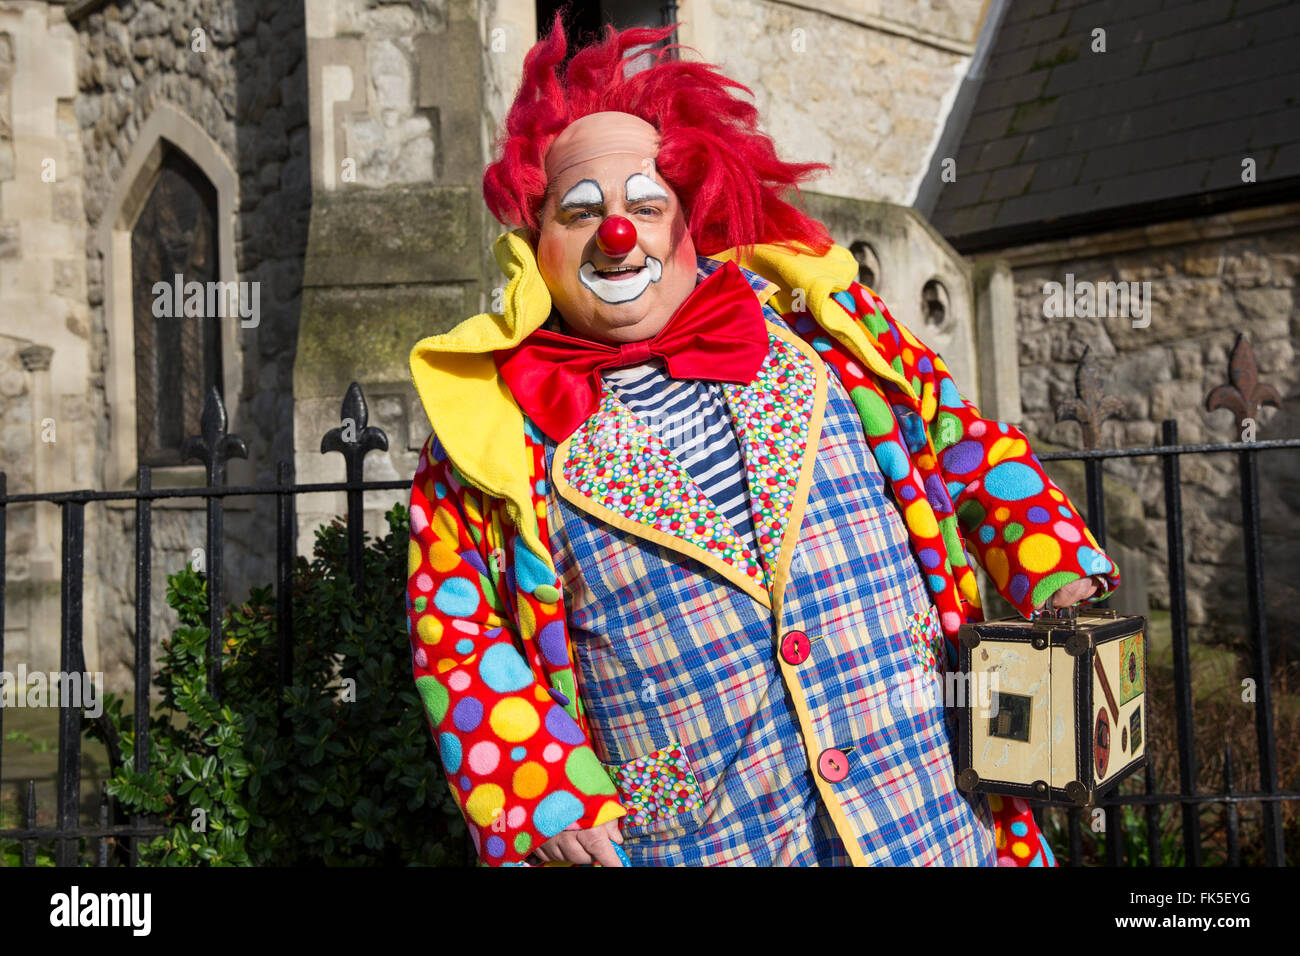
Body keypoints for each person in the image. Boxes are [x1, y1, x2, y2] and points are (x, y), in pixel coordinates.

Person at [404, 18, 1118, 867]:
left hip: (931, 805)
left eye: (646, 204)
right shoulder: (490, 430)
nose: (618, 233)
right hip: (709, 835)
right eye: (581, 211)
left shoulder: (826, 336)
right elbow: (457, 628)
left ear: (688, 219)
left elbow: (963, 443)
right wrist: (537, 787)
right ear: (537, 244)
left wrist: (1055, 569)